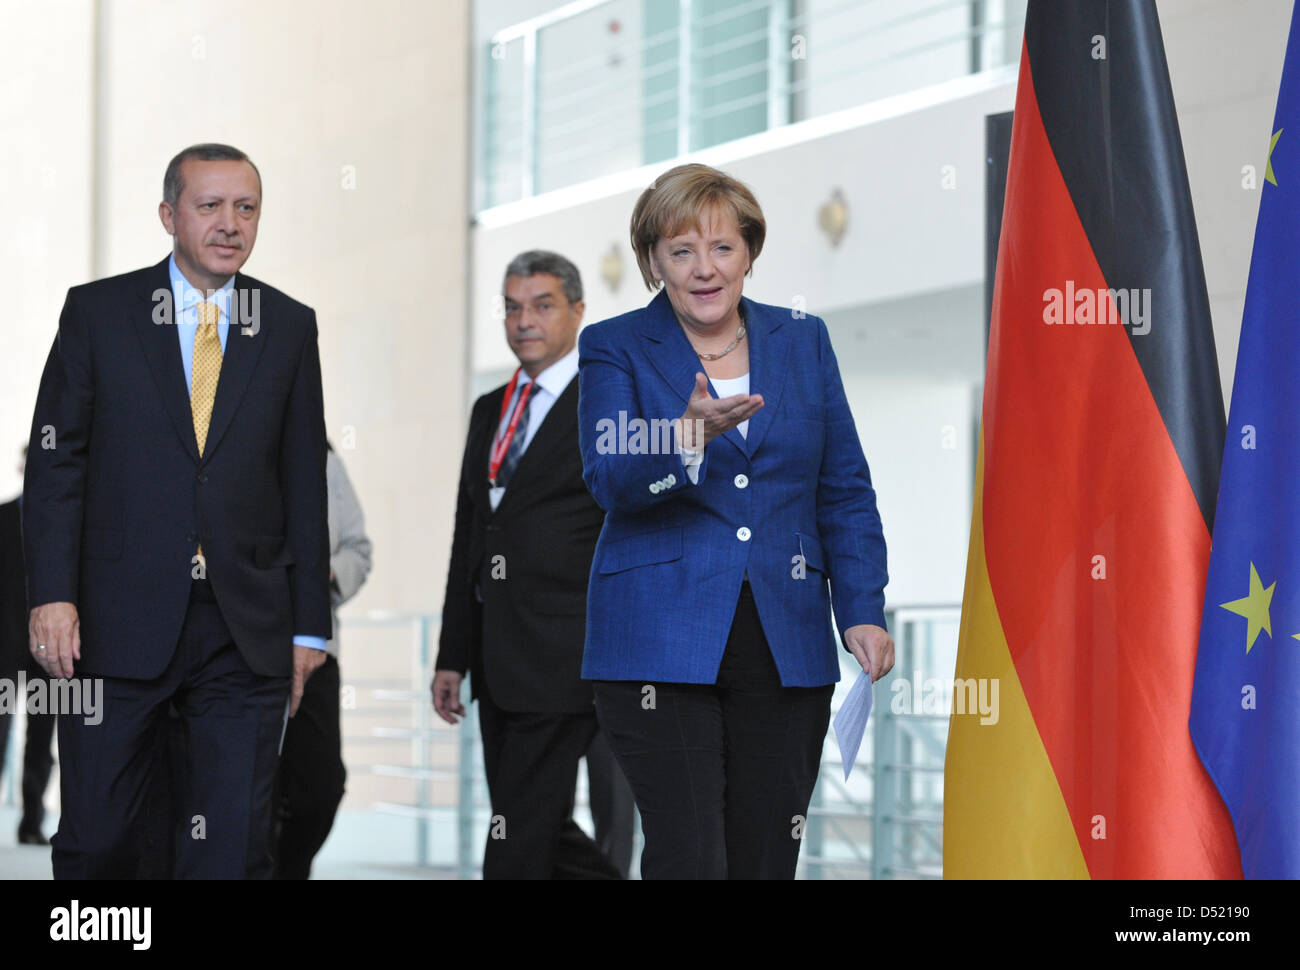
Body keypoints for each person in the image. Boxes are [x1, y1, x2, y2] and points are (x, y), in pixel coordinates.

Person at [577, 162, 895, 879]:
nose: (705, 268)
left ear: (749, 251)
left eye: (722, 247)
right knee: (691, 857)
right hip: (656, 642)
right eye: (681, 250)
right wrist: (685, 437)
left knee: (765, 858)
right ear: (653, 261)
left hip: (785, 639)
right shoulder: (613, 344)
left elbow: (843, 488)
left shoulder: (803, 339)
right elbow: (608, 478)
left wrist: (862, 609)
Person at [23, 142, 331, 879]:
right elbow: (57, 464)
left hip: (243, 629)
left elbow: (303, 483)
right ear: (169, 215)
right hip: (112, 622)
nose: (231, 223)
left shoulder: (289, 326)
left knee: (230, 847)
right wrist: (52, 595)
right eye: (210, 205)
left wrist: (308, 625)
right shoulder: (98, 313)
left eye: (246, 208)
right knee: (98, 839)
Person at [432, 251, 627, 879]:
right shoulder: (490, 407)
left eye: (542, 306)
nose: (524, 321)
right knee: (532, 823)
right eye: (513, 307)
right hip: (498, 660)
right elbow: (471, 536)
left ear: (578, 310)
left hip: (567, 655)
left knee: (516, 838)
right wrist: (452, 655)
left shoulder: (606, 402)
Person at [274, 440, 373, 878]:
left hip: (315, 653)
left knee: (320, 789)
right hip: (241, 653)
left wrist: (322, 573)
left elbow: (358, 551)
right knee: (253, 793)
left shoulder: (326, 460)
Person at [0, 446, 56, 846]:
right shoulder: (2, 518)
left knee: (41, 738)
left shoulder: (61, 524)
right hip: (3, 649)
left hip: (48, 653)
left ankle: (31, 822)